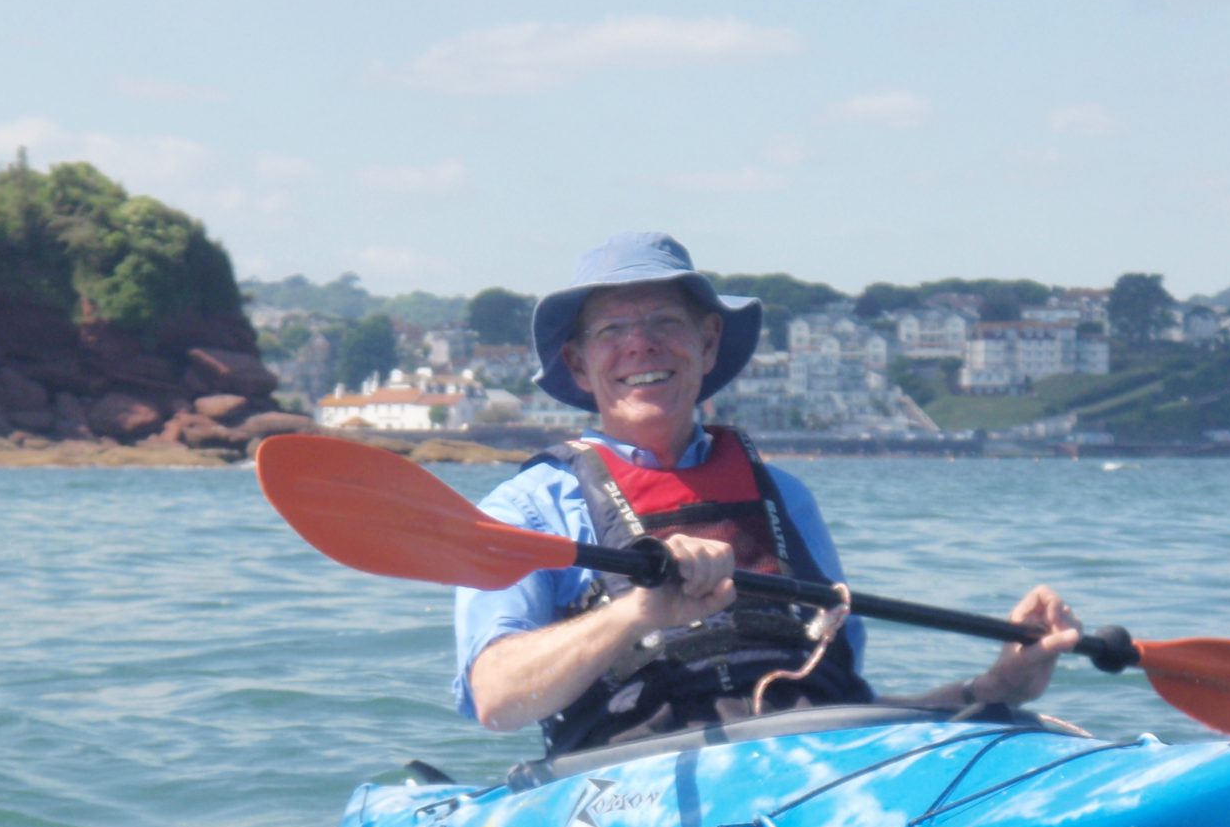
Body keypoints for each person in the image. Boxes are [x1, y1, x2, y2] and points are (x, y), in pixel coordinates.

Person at [453, 231, 1080, 756]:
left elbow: (839, 704)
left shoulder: (785, 499)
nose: (639, 344)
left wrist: (994, 688)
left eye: (665, 322)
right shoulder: (528, 509)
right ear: (579, 363)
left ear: (708, 342)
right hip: (636, 777)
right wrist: (636, 612)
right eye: (612, 329)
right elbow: (497, 698)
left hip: (812, 762)